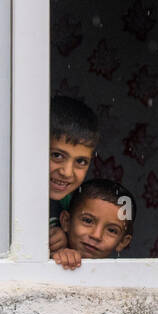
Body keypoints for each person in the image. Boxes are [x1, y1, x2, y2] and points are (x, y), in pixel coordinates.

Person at [52, 178, 158, 274]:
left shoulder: (123, 276)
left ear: (123, 242)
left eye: (112, 230)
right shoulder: (48, 259)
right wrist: (56, 260)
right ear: (66, 221)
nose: (96, 235)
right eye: (87, 221)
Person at [49, 97, 100, 255]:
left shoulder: (74, 204)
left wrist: (65, 239)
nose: (67, 172)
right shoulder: (7, 200)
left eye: (81, 161)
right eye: (57, 156)